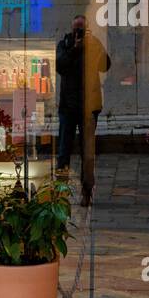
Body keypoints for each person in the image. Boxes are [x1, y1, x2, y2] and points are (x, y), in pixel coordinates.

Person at [55, 14, 110, 203]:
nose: (78, 33)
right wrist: (74, 49)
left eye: (81, 29)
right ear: (72, 29)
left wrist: (93, 44)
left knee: (88, 153)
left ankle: (87, 192)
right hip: (68, 107)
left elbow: (106, 66)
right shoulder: (65, 44)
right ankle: (60, 192)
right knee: (63, 151)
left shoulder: (92, 45)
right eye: (76, 29)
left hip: (89, 107)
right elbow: (60, 66)